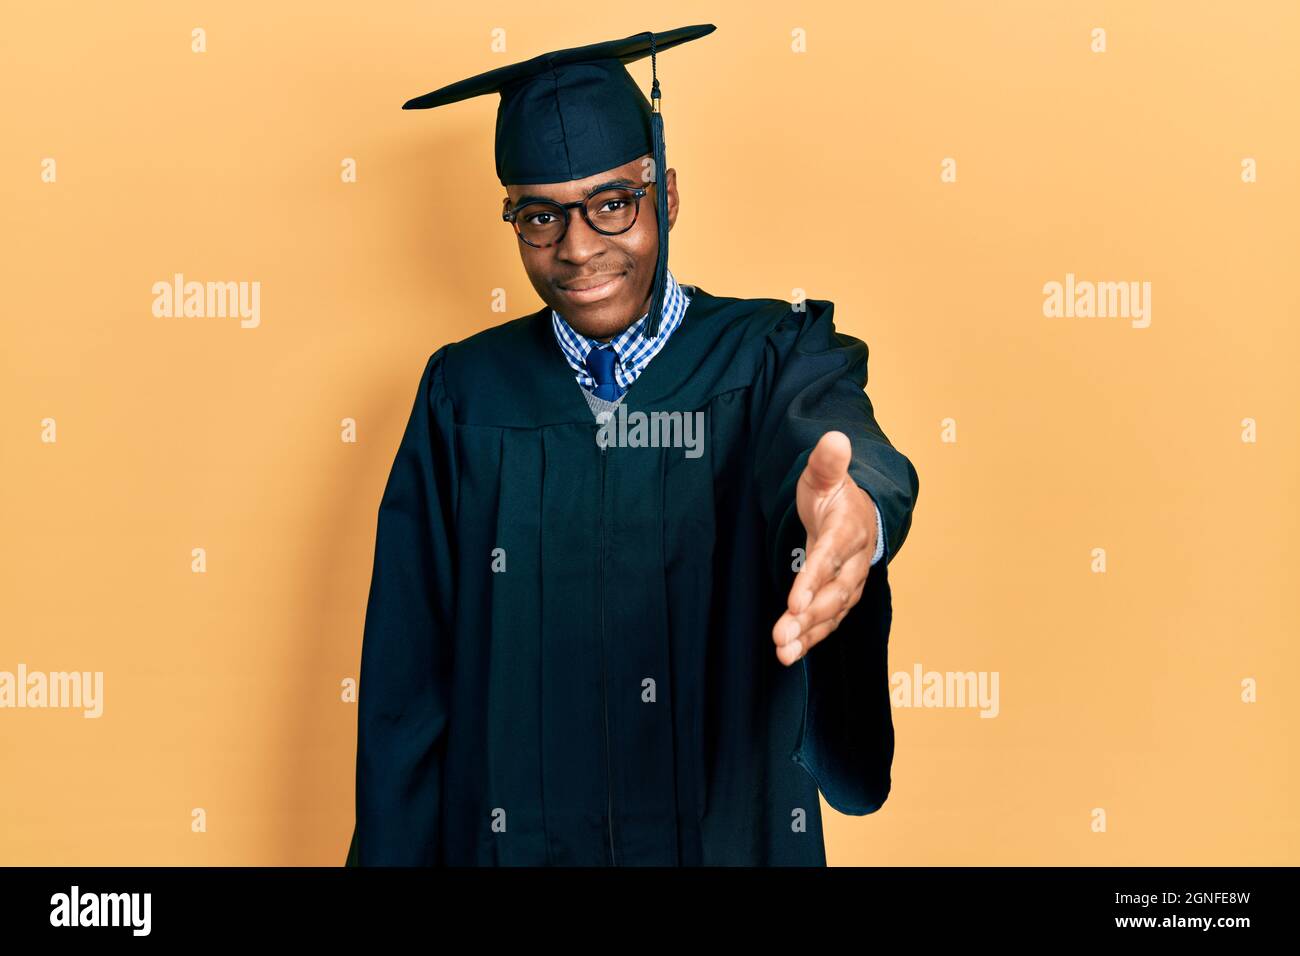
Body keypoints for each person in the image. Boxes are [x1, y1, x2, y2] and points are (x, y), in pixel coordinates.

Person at [346, 23, 919, 866]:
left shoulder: (770, 355)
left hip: (720, 836)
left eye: (612, 202)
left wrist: (855, 514)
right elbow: (406, 682)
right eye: (540, 216)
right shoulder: (464, 396)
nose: (577, 248)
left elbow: (836, 442)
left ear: (668, 195)